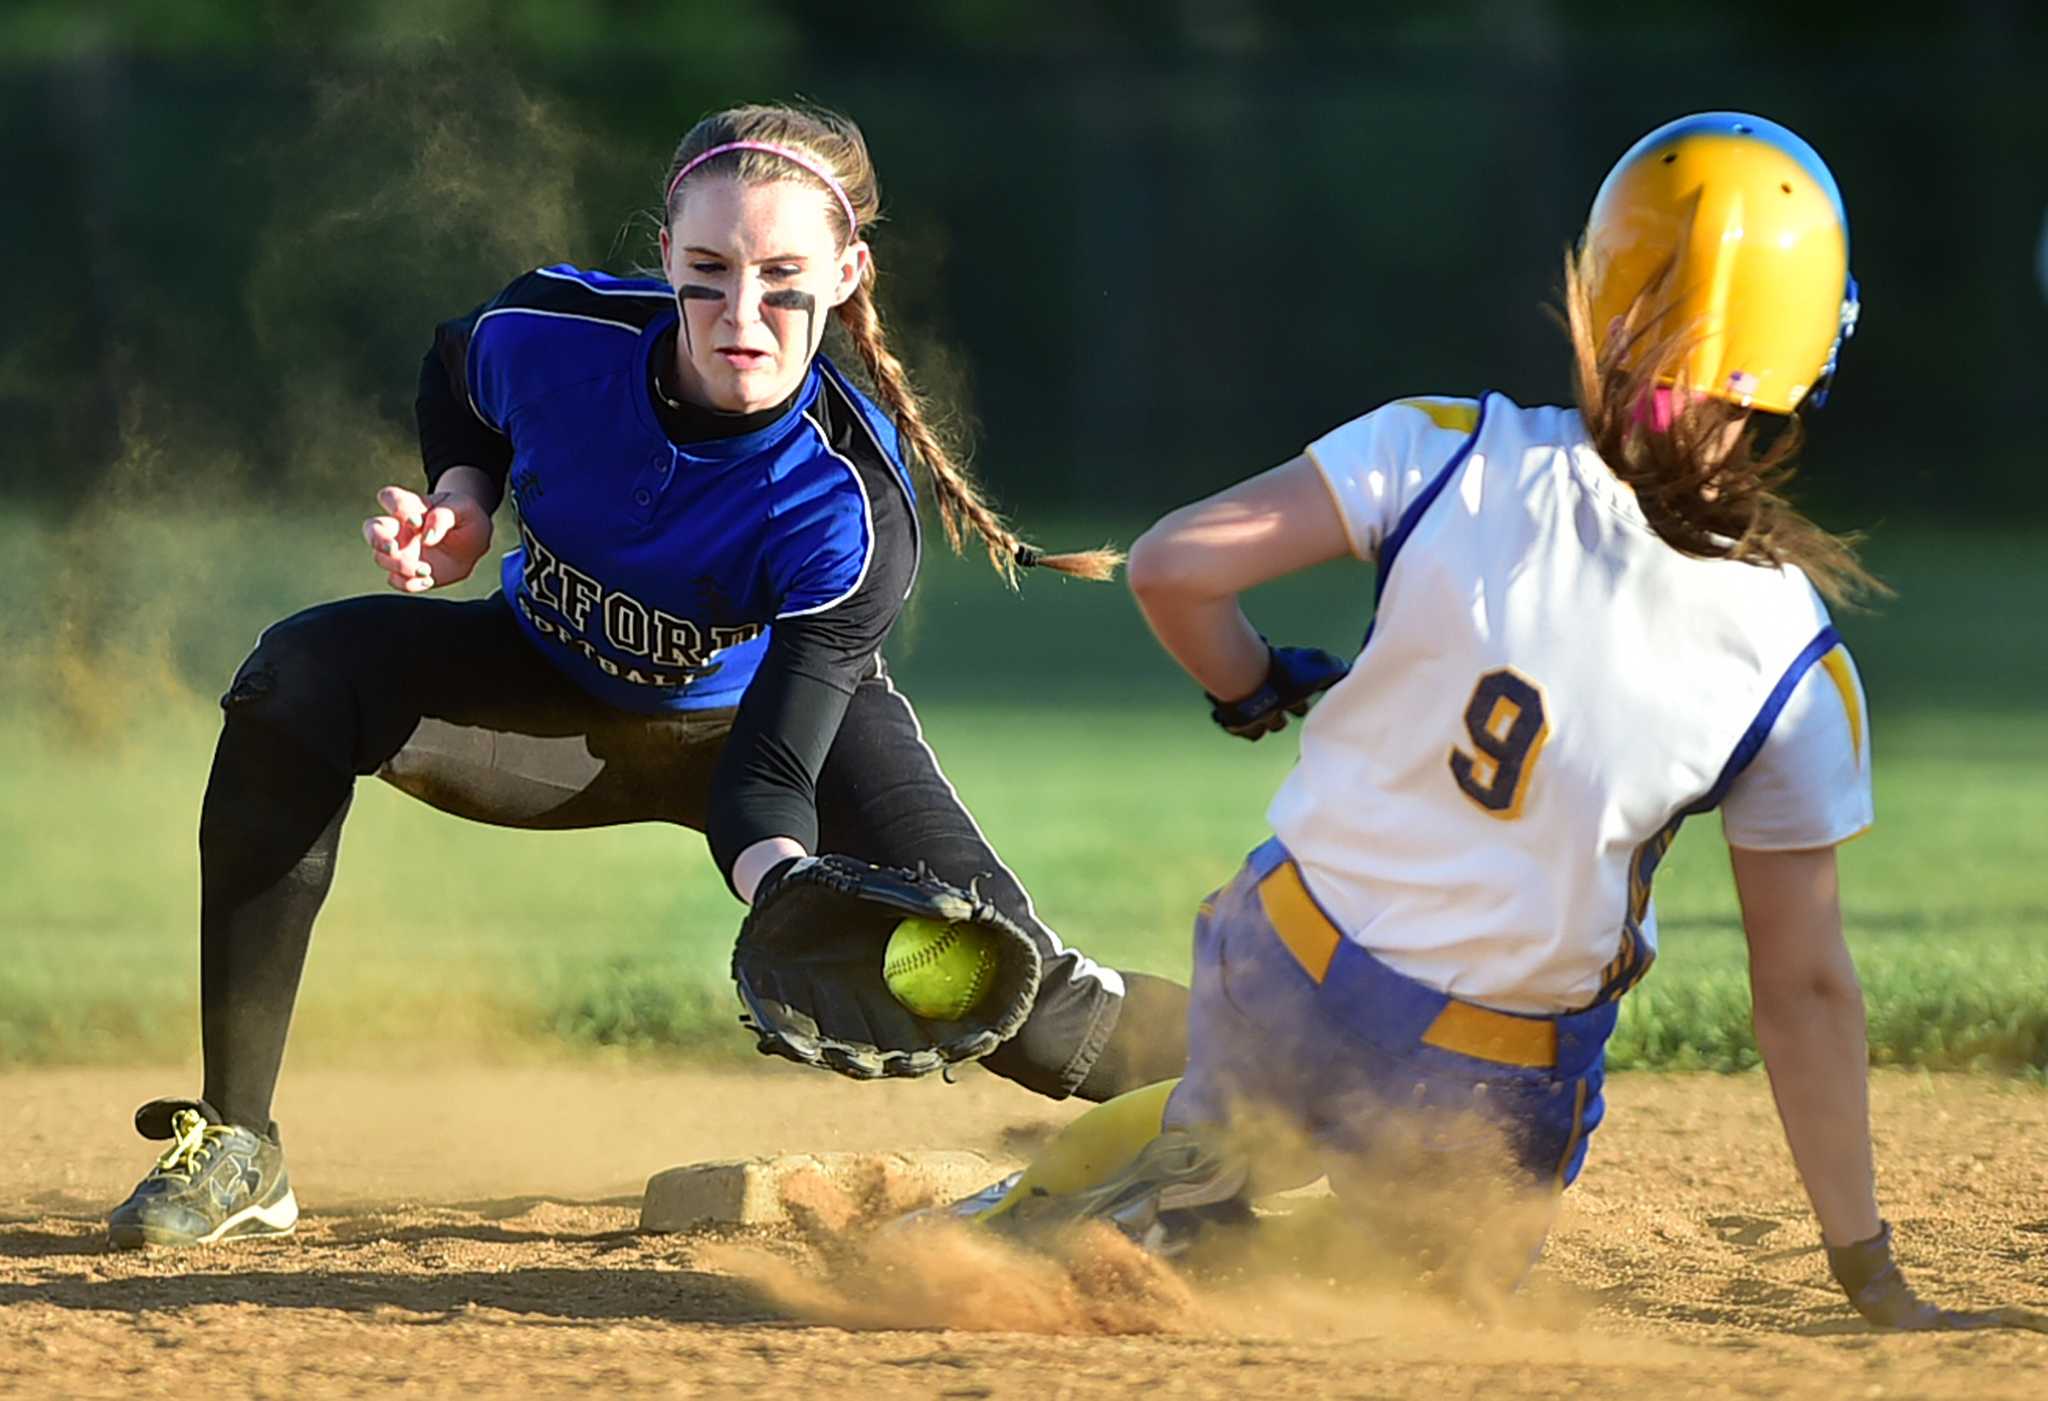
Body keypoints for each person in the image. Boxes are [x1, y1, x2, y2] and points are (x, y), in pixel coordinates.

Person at [955, 113, 2030, 1331]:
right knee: (1387, 1293)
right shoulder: (1791, 658)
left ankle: (1152, 1174)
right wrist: (1865, 1268)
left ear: (1597, 287)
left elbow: (1168, 567)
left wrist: (1247, 683)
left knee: (1235, 1091)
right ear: (1810, 348)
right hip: (1482, 1083)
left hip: (1285, 973)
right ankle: (1267, 1235)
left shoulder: (1440, 452)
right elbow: (1801, 991)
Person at [107, 102, 1187, 1250]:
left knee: (1008, 998)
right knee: (298, 681)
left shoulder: (847, 502)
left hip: (760, 739)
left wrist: (787, 888)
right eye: (708, 271)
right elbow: (458, 375)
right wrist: (465, 504)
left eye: (781, 278)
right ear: (664, 254)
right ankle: (238, 1145)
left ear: (846, 273)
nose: (740, 316)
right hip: (538, 701)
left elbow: (767, 769)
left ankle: (1288, 1090)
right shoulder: (553, 335)